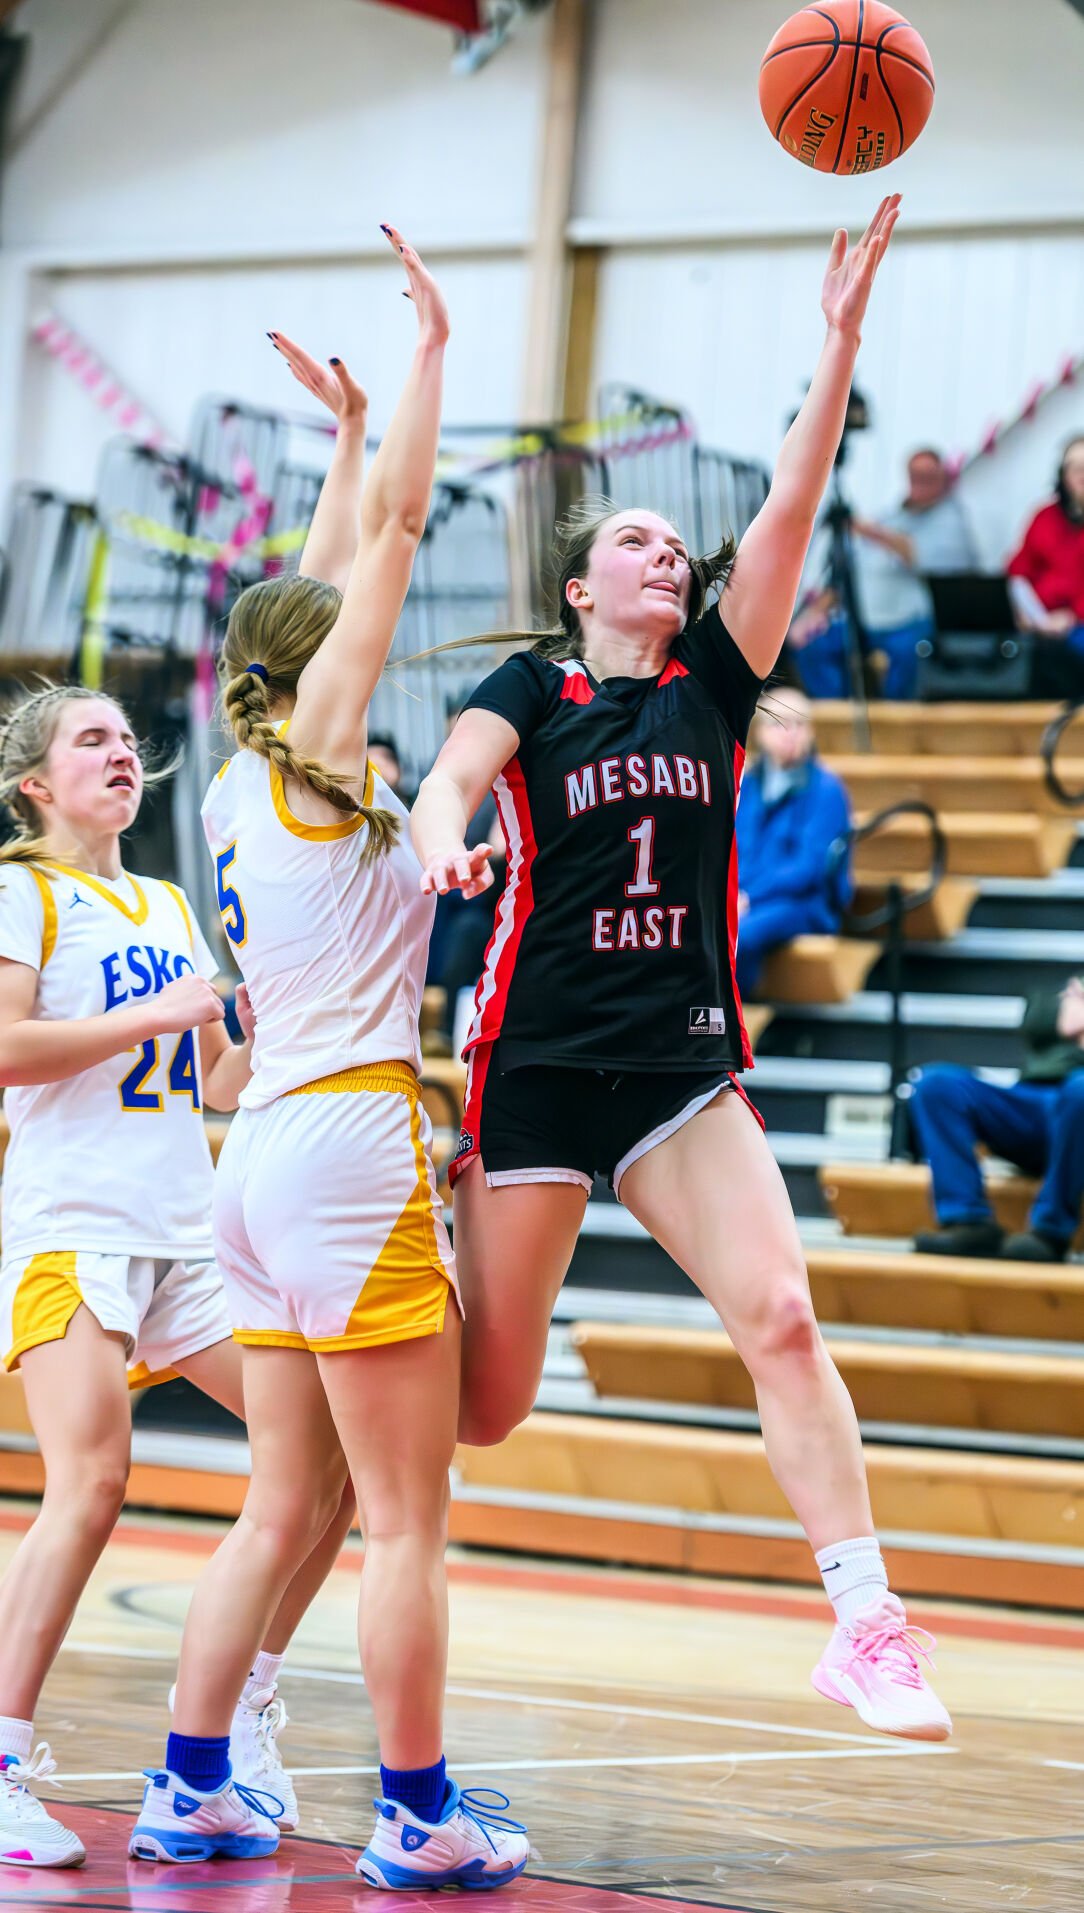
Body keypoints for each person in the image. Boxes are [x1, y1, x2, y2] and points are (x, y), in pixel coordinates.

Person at [411, 196, 951, 1743]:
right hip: (531, 1066)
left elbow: (786, 505)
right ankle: (324, 1392)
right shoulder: (540, 683)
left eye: (673, 542)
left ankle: (864, 1621)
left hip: (677, 1063)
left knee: (780, 1313)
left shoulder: (717, 682)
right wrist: (448, 832)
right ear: (583, 585)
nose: (669, 551)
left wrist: (837, 342)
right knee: (489, 1411)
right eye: (636, 540)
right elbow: (454, 772)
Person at [128, 228, 529, 1886]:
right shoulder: (314, 760)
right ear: (318, 689)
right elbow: (389, 548)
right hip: (352, 1145)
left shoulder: (233, 780)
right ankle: (418, 1808)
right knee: (403, 1517)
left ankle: (190, 1778)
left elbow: (314, 576)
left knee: (280, 1511)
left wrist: (347, 435)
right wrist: (434, 359)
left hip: (259, 1163)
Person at [0, 684, 356, 1870]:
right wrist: (159, 1007)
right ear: (35, 784)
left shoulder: (164, 899)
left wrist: (313, 1014)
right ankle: (0, 1759)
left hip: (186, 1236)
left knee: (335, 1461)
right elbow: (5, 1049)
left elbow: (216, 1080)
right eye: (89, 740)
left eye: (124, 739)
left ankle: (240, 1711)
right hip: (70, 1231)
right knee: (92, 1481)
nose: (119, 753)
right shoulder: (23, 887)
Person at [910, 978, 1084, 1264]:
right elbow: (1039, 1019)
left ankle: (1050, 1233)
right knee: (936, 1084)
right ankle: (967, 1222)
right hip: (1032, 1101)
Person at [789, 447, 980, 699]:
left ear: (942, 478)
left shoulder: (952, 521)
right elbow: (847, 572)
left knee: (910, 653)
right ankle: (837, 718)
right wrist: (815, 612)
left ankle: (895, 727)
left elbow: (918, 555)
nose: (920, 481)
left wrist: (869, 530)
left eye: (928, 475)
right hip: (862, 620)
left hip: (911, 622)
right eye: (915, 474)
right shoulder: (890, 516)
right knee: (814, 646)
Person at [734, 688, 852, 998]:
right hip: (747, 899)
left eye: (800, 724)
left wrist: (748, 897)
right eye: (779, 724)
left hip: (804, 903)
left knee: (738, 937)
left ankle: (735, 1020)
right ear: (759, 733)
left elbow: (808, 869)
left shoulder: (826, 789)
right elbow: (732, 852)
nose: (791, 734)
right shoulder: (746, 784)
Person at [1007, 436, 1084, 695]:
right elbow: (1018, 571)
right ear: (1063, 476)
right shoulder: (1044, 517)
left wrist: (1073, 617)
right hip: (1039, 624)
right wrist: (1024, 613)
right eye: (1076, 468)